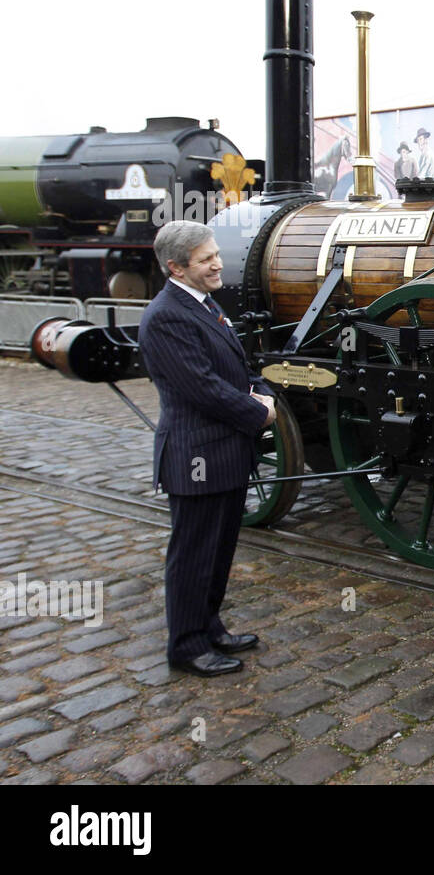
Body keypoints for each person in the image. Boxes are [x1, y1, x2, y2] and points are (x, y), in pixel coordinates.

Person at [137, 221, 277, 677]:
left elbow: (236, 365)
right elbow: (201, 388)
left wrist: (262, 391)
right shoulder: (166, 316)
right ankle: (187, 645)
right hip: (196, 454)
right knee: (193, 554)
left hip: (225, 452)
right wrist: (259, 414)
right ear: (176, 267)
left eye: (216, 254)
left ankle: (210, 626)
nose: (218, 263)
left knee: (218, 552)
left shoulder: (204, 302)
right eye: (205, 259)